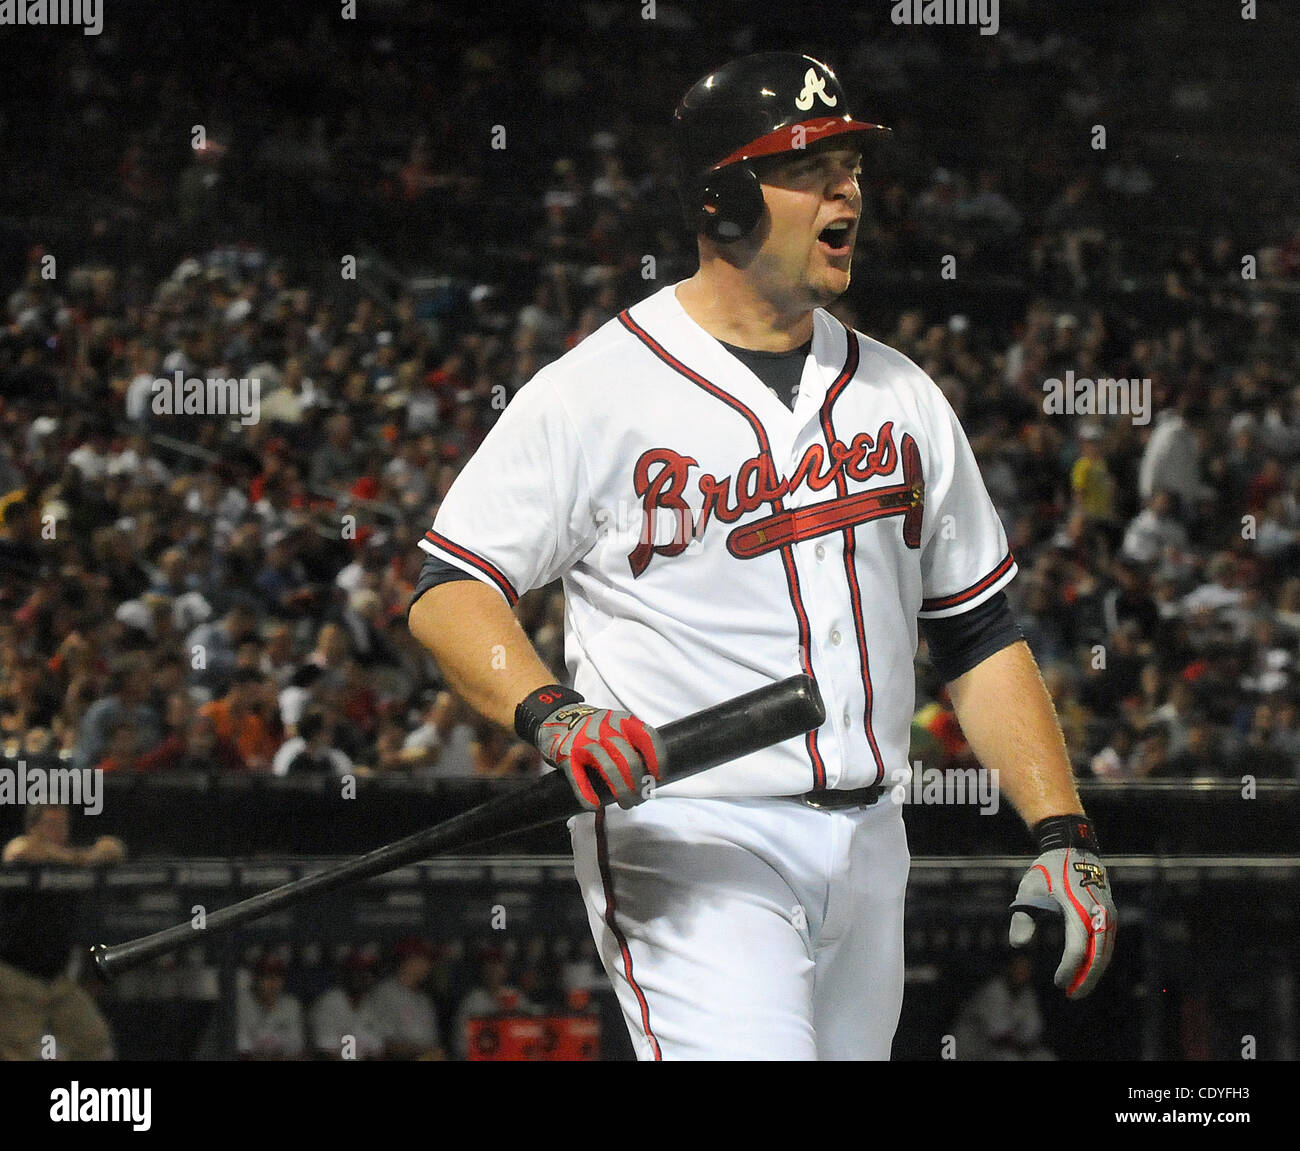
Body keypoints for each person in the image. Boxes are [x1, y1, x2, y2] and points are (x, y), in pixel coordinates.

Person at [407, 51, 1116, 1061]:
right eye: (809, 165)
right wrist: (551, 710)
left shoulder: (900, 392)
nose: (848, 188)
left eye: (852, 165)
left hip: (874, 839)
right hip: (693, 839)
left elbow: (975, 630)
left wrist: (1062, 830)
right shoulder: (594, 390)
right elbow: (450, 588)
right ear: (723, 200)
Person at [1, 805, 125, 1060]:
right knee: (19, 1051)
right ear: (33, 827)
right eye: (50, 824)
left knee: (94, 1039)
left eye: (63, 825)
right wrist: (83, 858)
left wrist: (97, 853)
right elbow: (20, 849)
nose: (58, 831)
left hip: (57, 980)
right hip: (15, 977)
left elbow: (113, 849)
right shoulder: (25, 851)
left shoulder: (70, 859)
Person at [951, 954, 1055, 1060]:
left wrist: (1025, 1040)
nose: (1021, 973)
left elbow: (1034, 1029)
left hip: (1003, 1048)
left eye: (1025, 969)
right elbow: (997, 1034)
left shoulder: (1027, 994)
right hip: (972, 1049)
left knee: (1045, 1057)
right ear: (1008, 969)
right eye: (1018, 968)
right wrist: (1021, 1041)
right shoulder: (993, 991)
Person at [367, 938, 445, 1060]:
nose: (429, 966)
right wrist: (422, 1051)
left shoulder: (424, 1000)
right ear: (408, 960)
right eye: (424, 959)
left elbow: (432, 1043)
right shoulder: (386, 993)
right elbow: (381, 1044)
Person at [235, 954, 305, 1060]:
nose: (272, 983)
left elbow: (297, 1052)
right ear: (255, 979)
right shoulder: (243, 1003)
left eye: (277, 976)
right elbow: (242, 1054)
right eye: (266, 977)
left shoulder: (291, 1005)